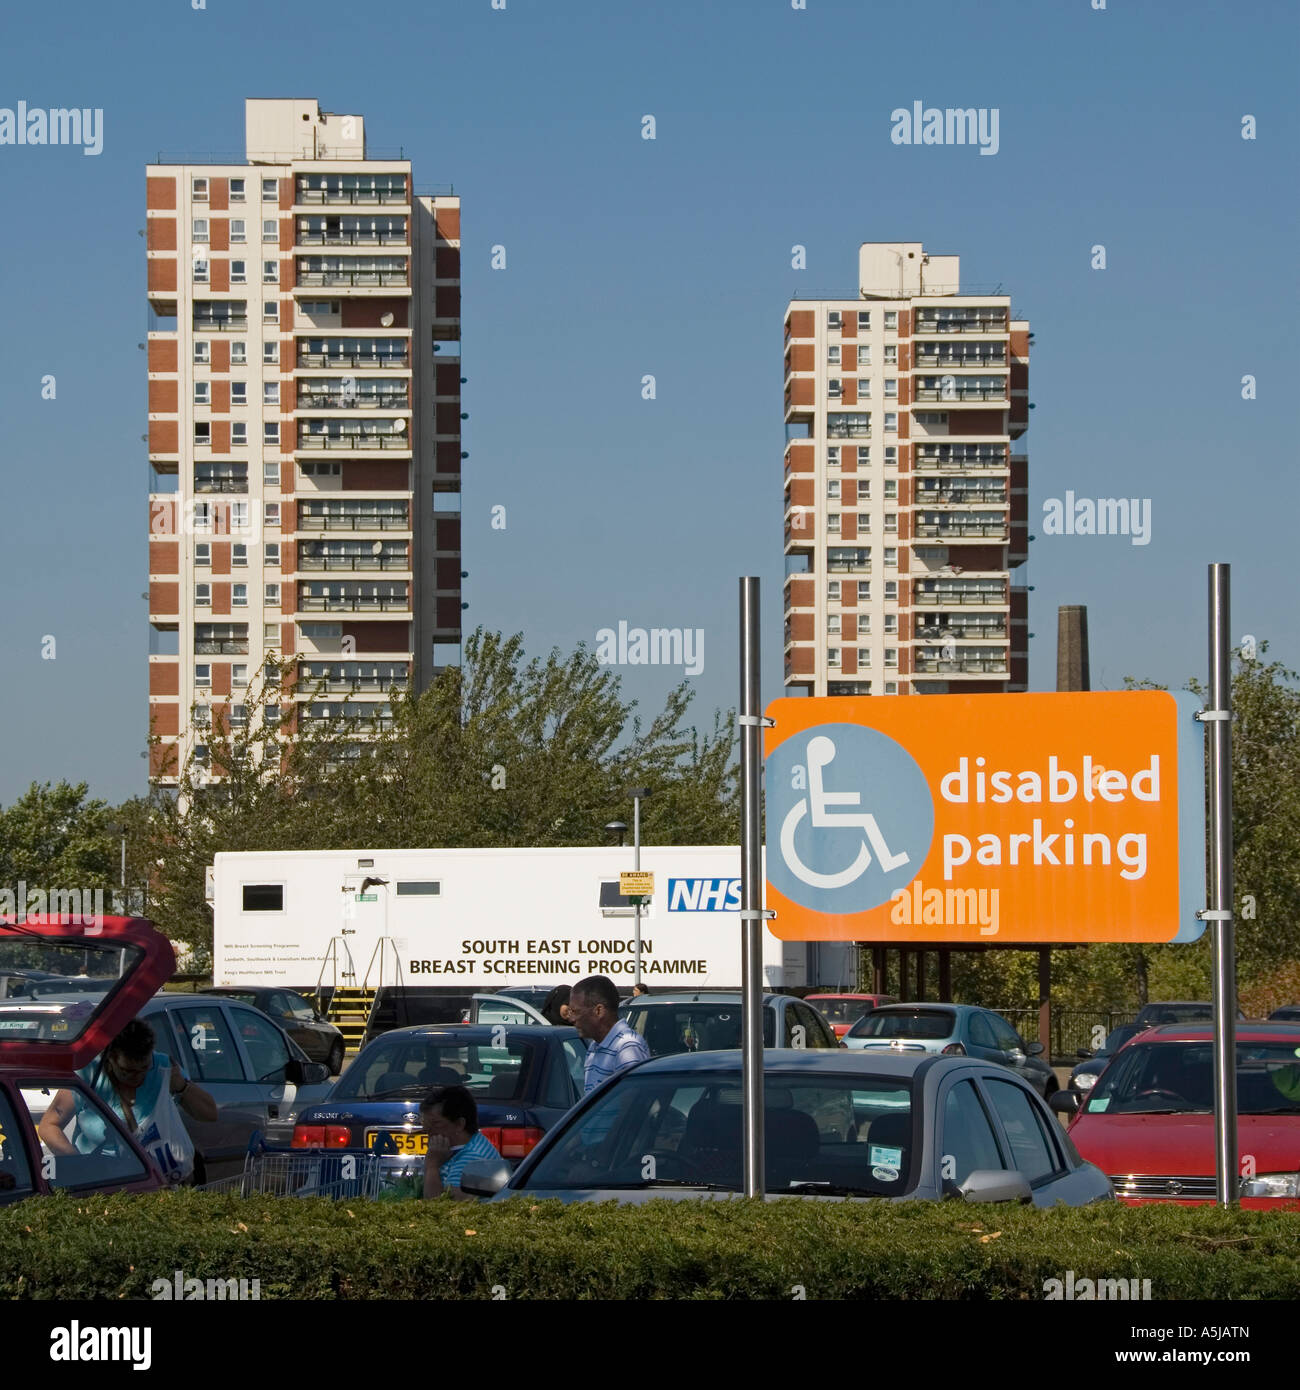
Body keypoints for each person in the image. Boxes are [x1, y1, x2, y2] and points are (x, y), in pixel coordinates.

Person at [37, 1018, 217, 1183]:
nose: (136, 1077)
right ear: (110, 1058)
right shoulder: (90, 1074)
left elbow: (209, 1114)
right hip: (100, 1179)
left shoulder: (163, 1067)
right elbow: (49, 1125)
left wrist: (182, 1087)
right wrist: (78, 1163)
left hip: (157, 1179)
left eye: (144, 1068)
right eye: (127, 1071)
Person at [381, 1084, 503, 1200]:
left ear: (459, 1124)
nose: (427, 1130)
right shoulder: (473, 1143)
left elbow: (439, 1207)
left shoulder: (471, 1160)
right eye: (425, 1123)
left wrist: (432, 1166)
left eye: (435, 1123)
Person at [567, 975, 651, 1095]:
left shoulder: (627, 1047)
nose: (571, 1019)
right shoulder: (595, 1047)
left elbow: (633, 1105)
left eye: (576, 1011)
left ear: (599, 1011)